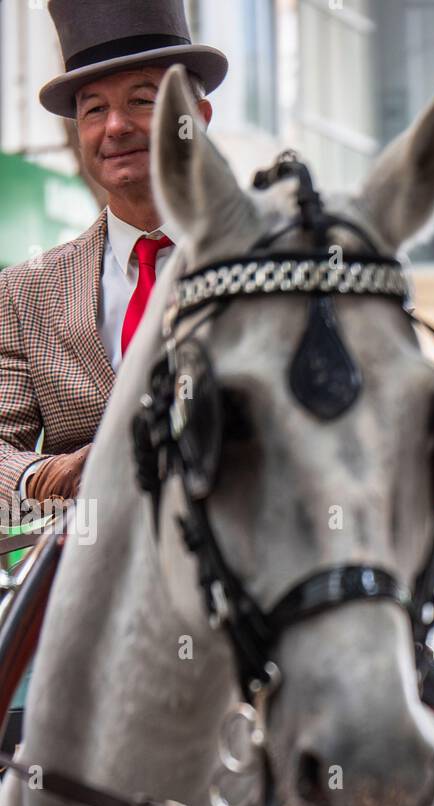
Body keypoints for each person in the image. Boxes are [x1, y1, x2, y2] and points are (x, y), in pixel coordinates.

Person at [0, 0, 228, 512]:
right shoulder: (23, 291)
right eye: (94, 109)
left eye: (143, 101)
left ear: (201, 117)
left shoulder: (271, 263)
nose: (116, 126)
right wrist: (43, 476)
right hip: (88, 575)